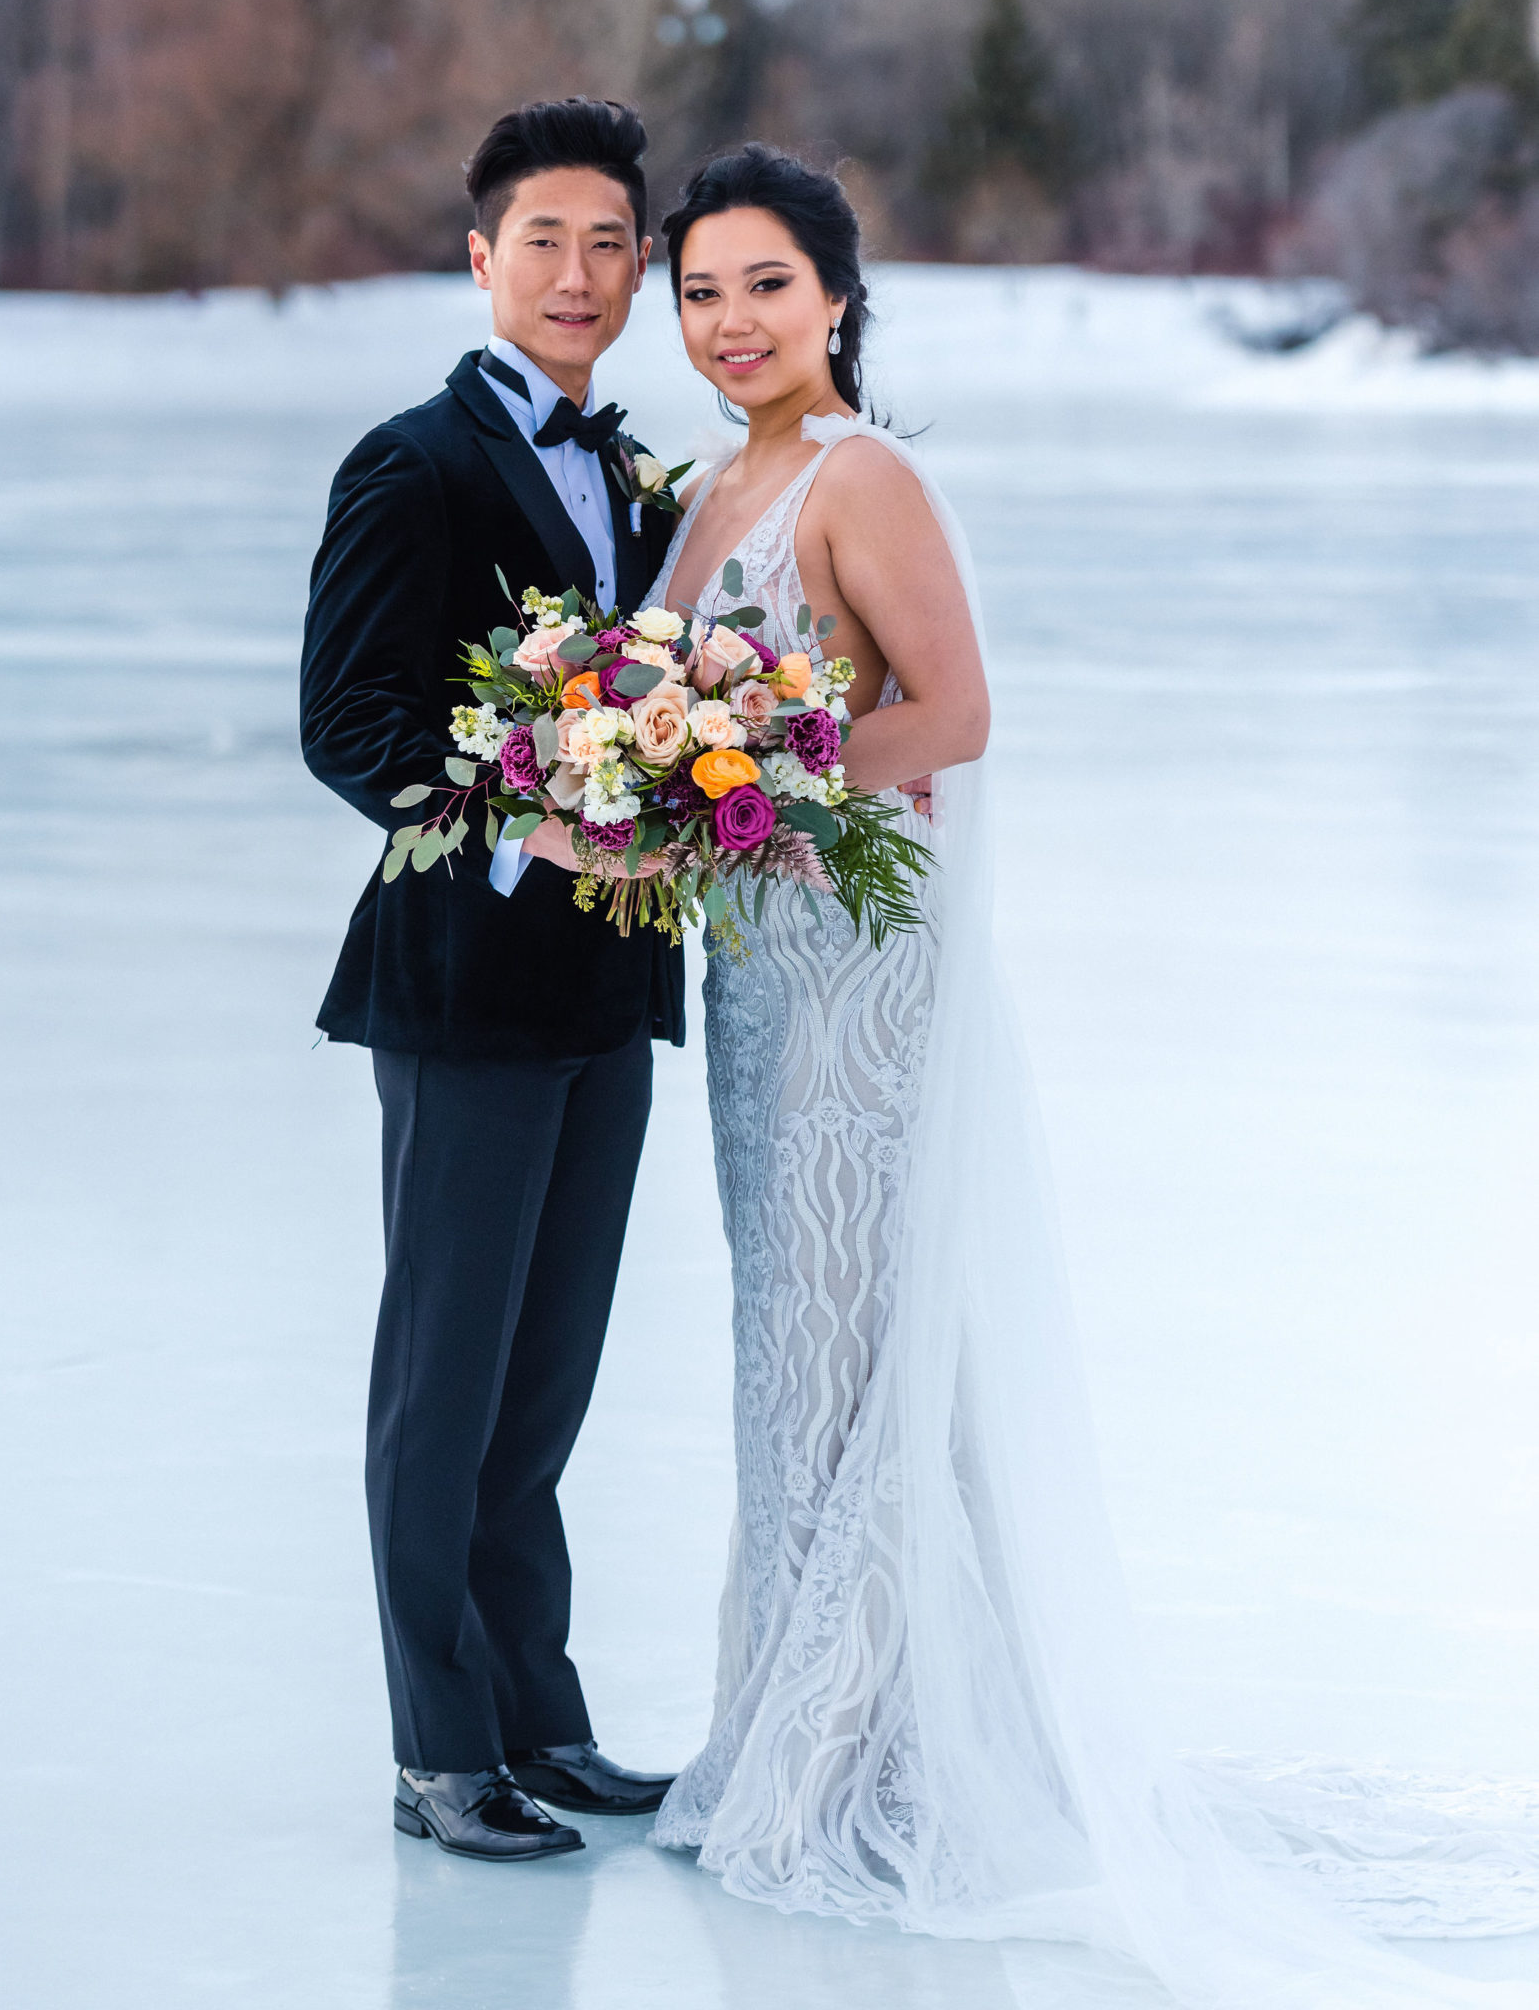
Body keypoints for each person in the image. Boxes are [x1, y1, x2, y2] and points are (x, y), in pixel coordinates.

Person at [644, 145, 1535, 2006]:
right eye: (701, 292)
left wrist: (740, 781)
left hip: (859, 972)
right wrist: (664, 787)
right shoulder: (716, 485)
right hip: (753, 965)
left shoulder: (859, 477)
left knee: (854, 1336)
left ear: (836, 296)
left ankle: (853, 1753)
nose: (730, 323)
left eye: (765, 286)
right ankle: (806, 1707)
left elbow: (954, 713)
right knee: (784, 1336)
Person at [300, 98, 682, 1862]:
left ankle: (543, 1716)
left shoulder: (638, 475)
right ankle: (440, 1749)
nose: (577, 273)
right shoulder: (412, 463)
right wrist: (539, 820)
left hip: (608, 992)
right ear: (480, 260)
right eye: (545, 240)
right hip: (463, 984)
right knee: (443, 1383)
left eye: (609, 244)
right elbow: (350, 727)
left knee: (543, 1389)